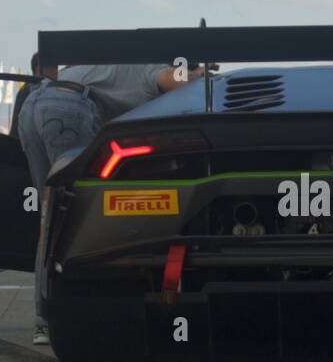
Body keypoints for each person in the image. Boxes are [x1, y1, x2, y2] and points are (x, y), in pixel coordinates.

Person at [18, 62, 203, 345]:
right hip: (67, 110)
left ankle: (44, 319)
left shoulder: (101, 60)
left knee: (49, 217)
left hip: (32, 106)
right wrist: (200, 77)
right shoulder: (146, 68)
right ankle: (61, 315)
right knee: (74, 215)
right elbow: (172, 79)